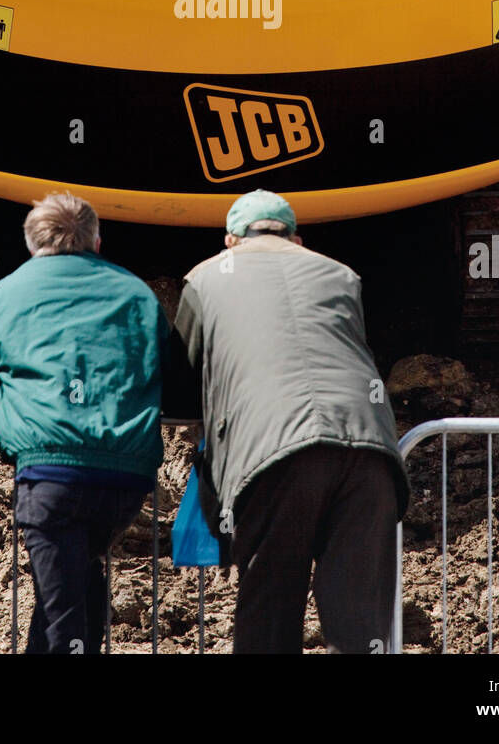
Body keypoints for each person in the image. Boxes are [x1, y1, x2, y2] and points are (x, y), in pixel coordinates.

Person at [169, 189, 410, 655]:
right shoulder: (341, 274)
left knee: (269, 617)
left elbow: (181, 384)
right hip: (371, 452)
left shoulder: (206, 277)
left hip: (275, 454)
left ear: (229, 241)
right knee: (360, 625)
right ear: (298, 240)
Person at [0, 192, 168, 655]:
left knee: (61, 609)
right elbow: (163, 369)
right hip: (125, 476)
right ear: (97, 241)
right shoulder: (137, 292)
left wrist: (5, 421)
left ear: (32, 242)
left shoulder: (9, 292)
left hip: (49, 473)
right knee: (73, 586)